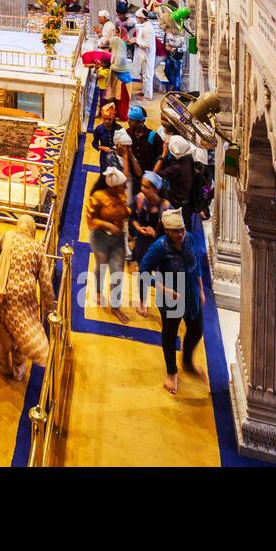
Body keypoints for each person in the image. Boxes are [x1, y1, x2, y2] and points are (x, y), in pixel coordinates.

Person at [0, 213, 55, 381]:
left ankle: (3, 368)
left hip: (0, 295)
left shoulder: (5, 237)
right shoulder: (37, 247)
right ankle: (19, 370)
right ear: (32, 230)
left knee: (2, 337)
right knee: (22, 331)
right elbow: (45, 283)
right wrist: (50, 307)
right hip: (25, 301)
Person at [140, 208, 205, 395]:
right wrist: (165, 289)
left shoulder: (190, 239)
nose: (181, 234)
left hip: (191, 292)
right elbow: (144, 272)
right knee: (170, 335)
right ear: (167, 231)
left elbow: (197, 265)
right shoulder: (160, 247)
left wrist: (201, 289)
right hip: (170, 298)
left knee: (196, 330)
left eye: (183, 229)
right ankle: (172, 372)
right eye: (177, 231)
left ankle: (187, 362)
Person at [86, 165, 130, 322]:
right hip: (100, 238)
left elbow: (126, 214)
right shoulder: (98, 197)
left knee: (117, 272)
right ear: (113, 186)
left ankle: (116, 306)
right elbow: (90, 220)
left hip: (118, 238)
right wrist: (107, 225)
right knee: (101, 266)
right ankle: (98, 290)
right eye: (122, 185)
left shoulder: (122, 196)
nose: (125, 187)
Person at [129, 171, 169, 316]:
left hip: (159, 245)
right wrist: (139, 228)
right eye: (142, 186)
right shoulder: (139, 200)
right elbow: (132, 218)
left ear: (156, 189)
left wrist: (156, 233)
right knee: (143, 273)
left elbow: (172, 232)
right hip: (142, 243)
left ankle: (163, 301)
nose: (143, 190)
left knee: (159, 274)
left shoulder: (165, 208)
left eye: (146, 187)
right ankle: (142, 302)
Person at [157, 134, 196, 231]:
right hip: (188, 201)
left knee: (179, 229)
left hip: (178, 204)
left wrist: (163, 156)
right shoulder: (188, 159)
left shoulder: (176, 168)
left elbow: (154, 175)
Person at [134, 13, 158, 100]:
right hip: (143, 55)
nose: (137, 19)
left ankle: (148, 96)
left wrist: (136, 43)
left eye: (137, 17)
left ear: (141, 18)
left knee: (147, 75)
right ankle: (144, 92)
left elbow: (147, 44)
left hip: (146, 56)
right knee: (144, 75)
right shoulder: (145, 26)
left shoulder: (147, 29)